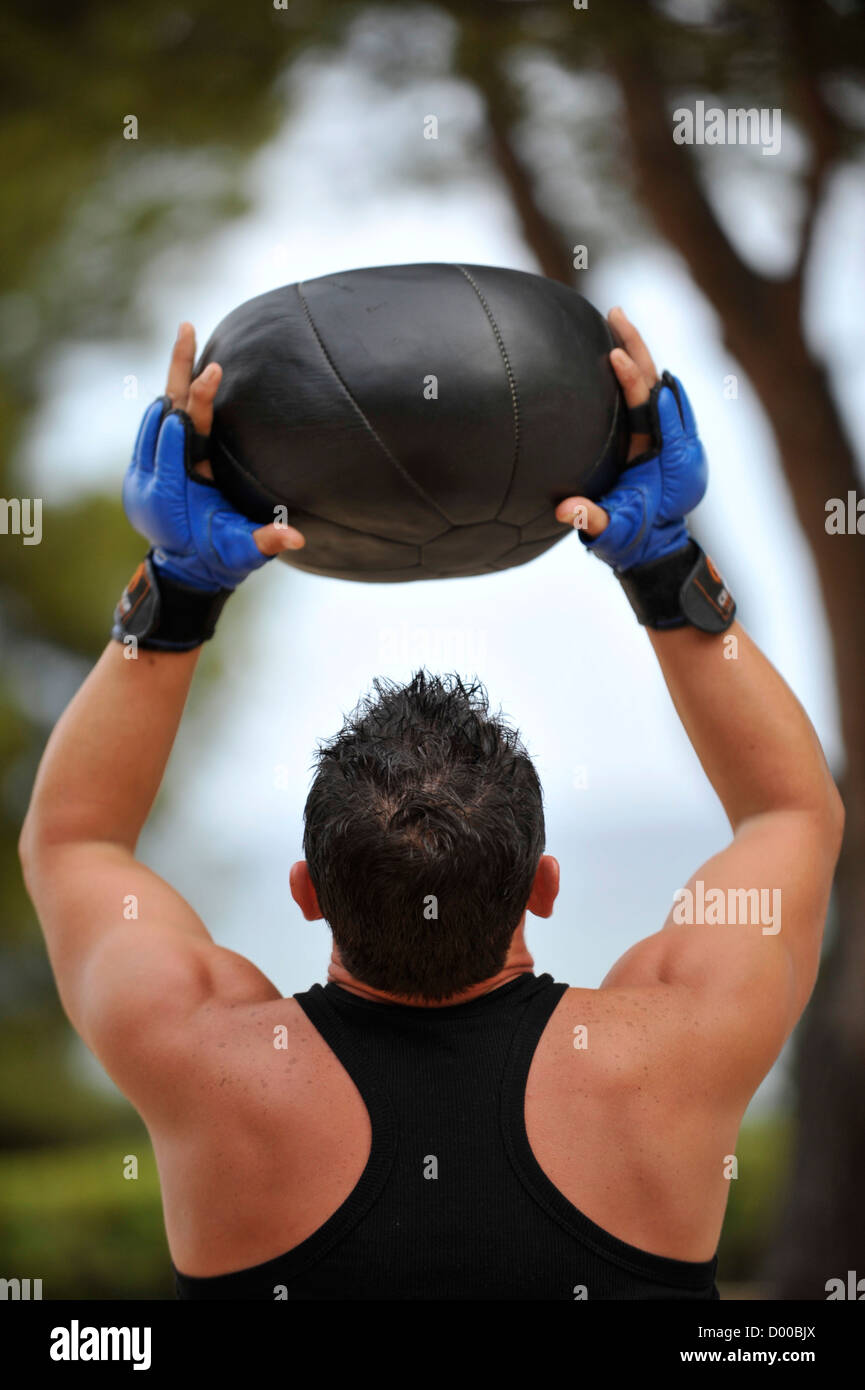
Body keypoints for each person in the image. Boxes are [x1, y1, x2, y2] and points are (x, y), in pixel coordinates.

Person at [19, 310, 843, 1300]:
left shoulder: (212, 1068)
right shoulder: (664, 1059)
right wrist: (660, 558)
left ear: (306, 890)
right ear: (543, 886)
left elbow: (72, 841)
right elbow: (793, 813)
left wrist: (178, 587)